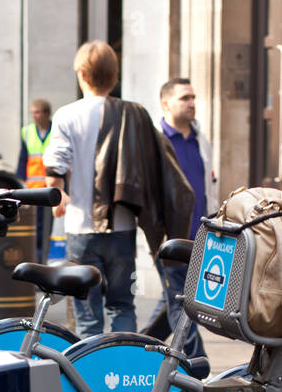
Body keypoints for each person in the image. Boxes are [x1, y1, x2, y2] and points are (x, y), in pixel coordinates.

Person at [44, 41, 193, 337]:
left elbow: (55, 167)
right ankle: (123, 373)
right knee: (123, 306)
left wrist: (58, 195)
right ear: (114, 76)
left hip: (80, 228)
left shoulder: (66, 116)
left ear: (82, 75)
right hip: (122, 228)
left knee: (87, 315)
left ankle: (89, 375)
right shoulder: (134, 114)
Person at [144, 78, 219, 358]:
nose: (191, 103)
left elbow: (209, 186)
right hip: (169, 238)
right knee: (182, 301)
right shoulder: (154, 141)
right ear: (165, 104)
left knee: (173, 299)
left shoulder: (200, 139)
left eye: (193, 97)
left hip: (201, 235)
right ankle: (197, 362)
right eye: (184, 98)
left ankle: (141, 348)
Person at [16, 98, 54, 263]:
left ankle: (43, 258)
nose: (35, 116)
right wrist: (20, 183)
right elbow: (22, 160)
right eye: (33, 113)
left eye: (38, 112)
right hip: (32, 188)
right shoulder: (27, 132)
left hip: (50, 187)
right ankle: (36, 258)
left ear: (46, 113)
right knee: (34, 226)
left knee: (47, 227)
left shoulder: (56, 131)